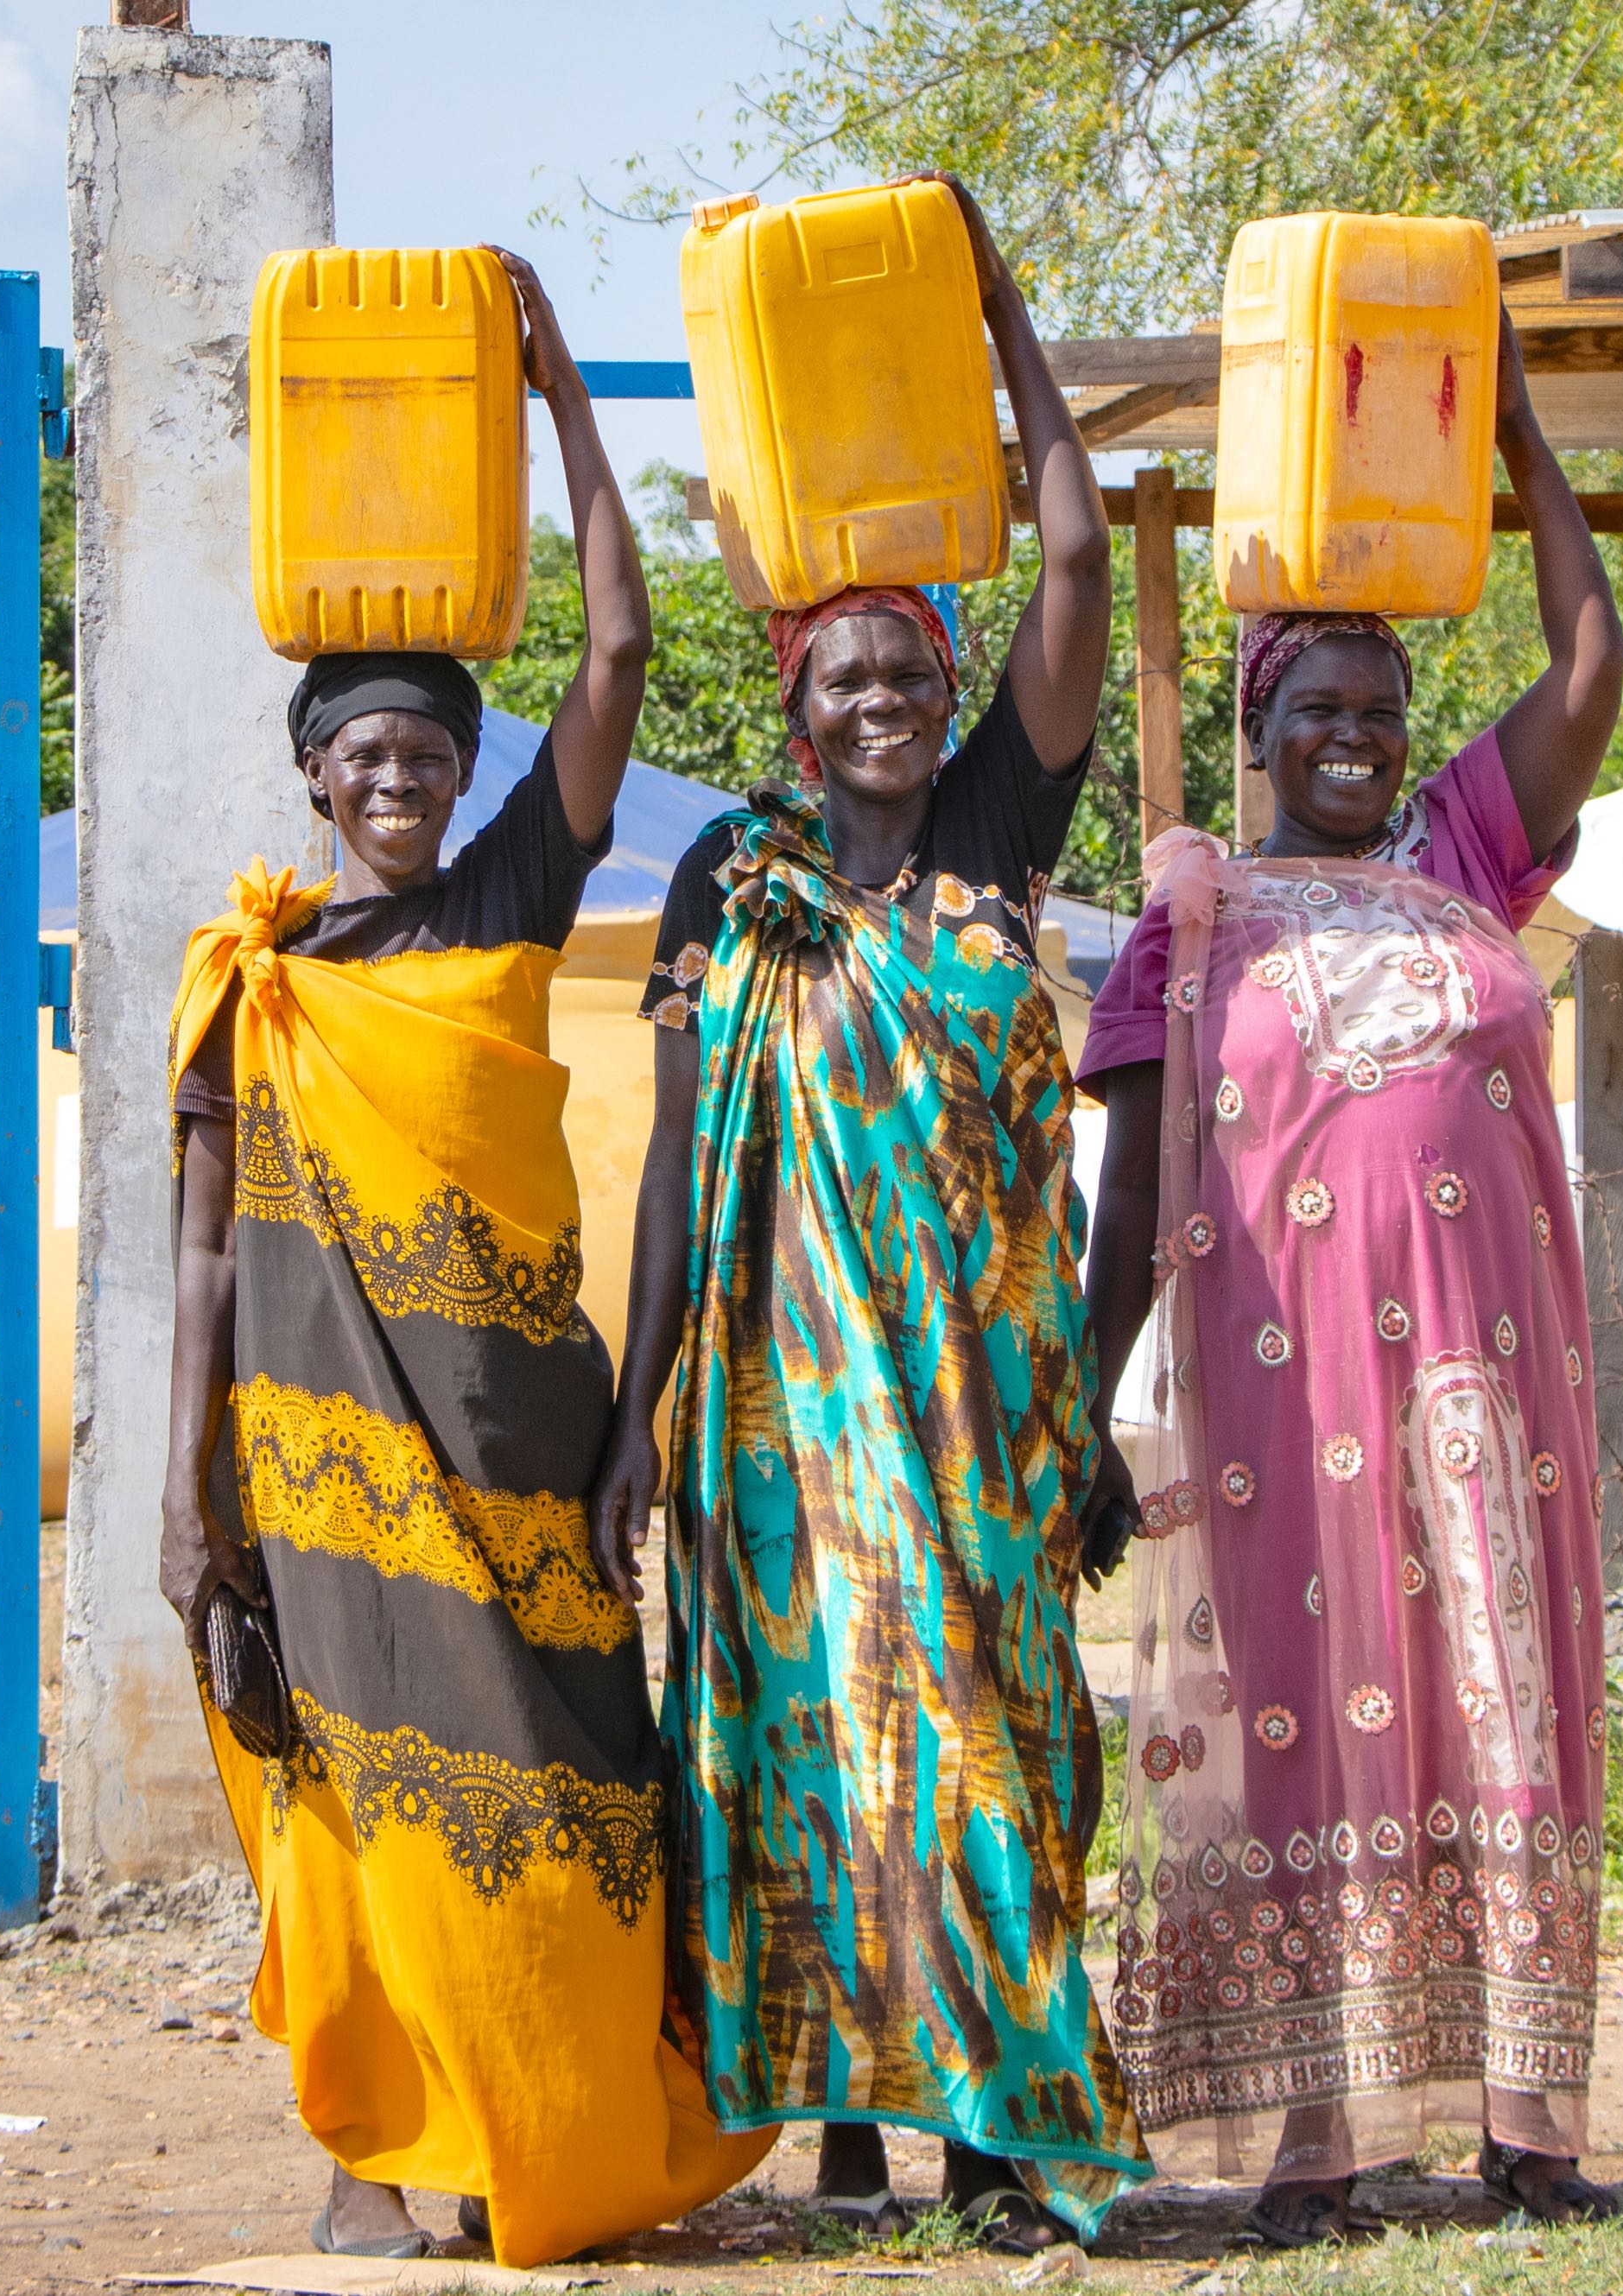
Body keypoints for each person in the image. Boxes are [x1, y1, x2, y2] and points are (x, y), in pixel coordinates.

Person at [162, 251, 772, 2267]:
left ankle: (568, 2124)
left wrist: (554, 391)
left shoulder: (514, 893)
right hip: (321, 1462)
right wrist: (191, 1504)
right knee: (352, 1799)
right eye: (371, 760)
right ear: (314, 778)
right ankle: (385, 2139)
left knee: (574, 1787)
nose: (404, 784)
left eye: (432, 754)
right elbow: (201, 1271)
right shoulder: (253, 985)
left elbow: (613, 649)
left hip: (530, 1449)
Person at [590, 175, 1145, 2255]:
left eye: (910, 669)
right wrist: (636, 1413)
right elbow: (668, 1161)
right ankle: (851, 2119)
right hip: (777, 1420)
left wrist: (1004, 304)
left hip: (988, 1413)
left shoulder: (1001, 839)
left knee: (993, 1749)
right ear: (797, 715)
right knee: (814, 1747)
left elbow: (1073, 552)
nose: (886, 701)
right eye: (845, 680)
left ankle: (1001, 2138)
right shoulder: (733, 883)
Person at [1075, 309, 1623, 2245]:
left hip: (1488, 1396)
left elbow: (1588, 660)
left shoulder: (1465, 856)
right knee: (1301, 1726)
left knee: (1502, 1701)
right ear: (1254, 732)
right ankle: (1312, 2147)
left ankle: (1530, 2125)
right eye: (1312, 709)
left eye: (1376, 707)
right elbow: (1136, 1182)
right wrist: (1085, 1401)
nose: (1350, 739)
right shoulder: (1188, 918)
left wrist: (1521, 431)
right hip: (1281, 1403)